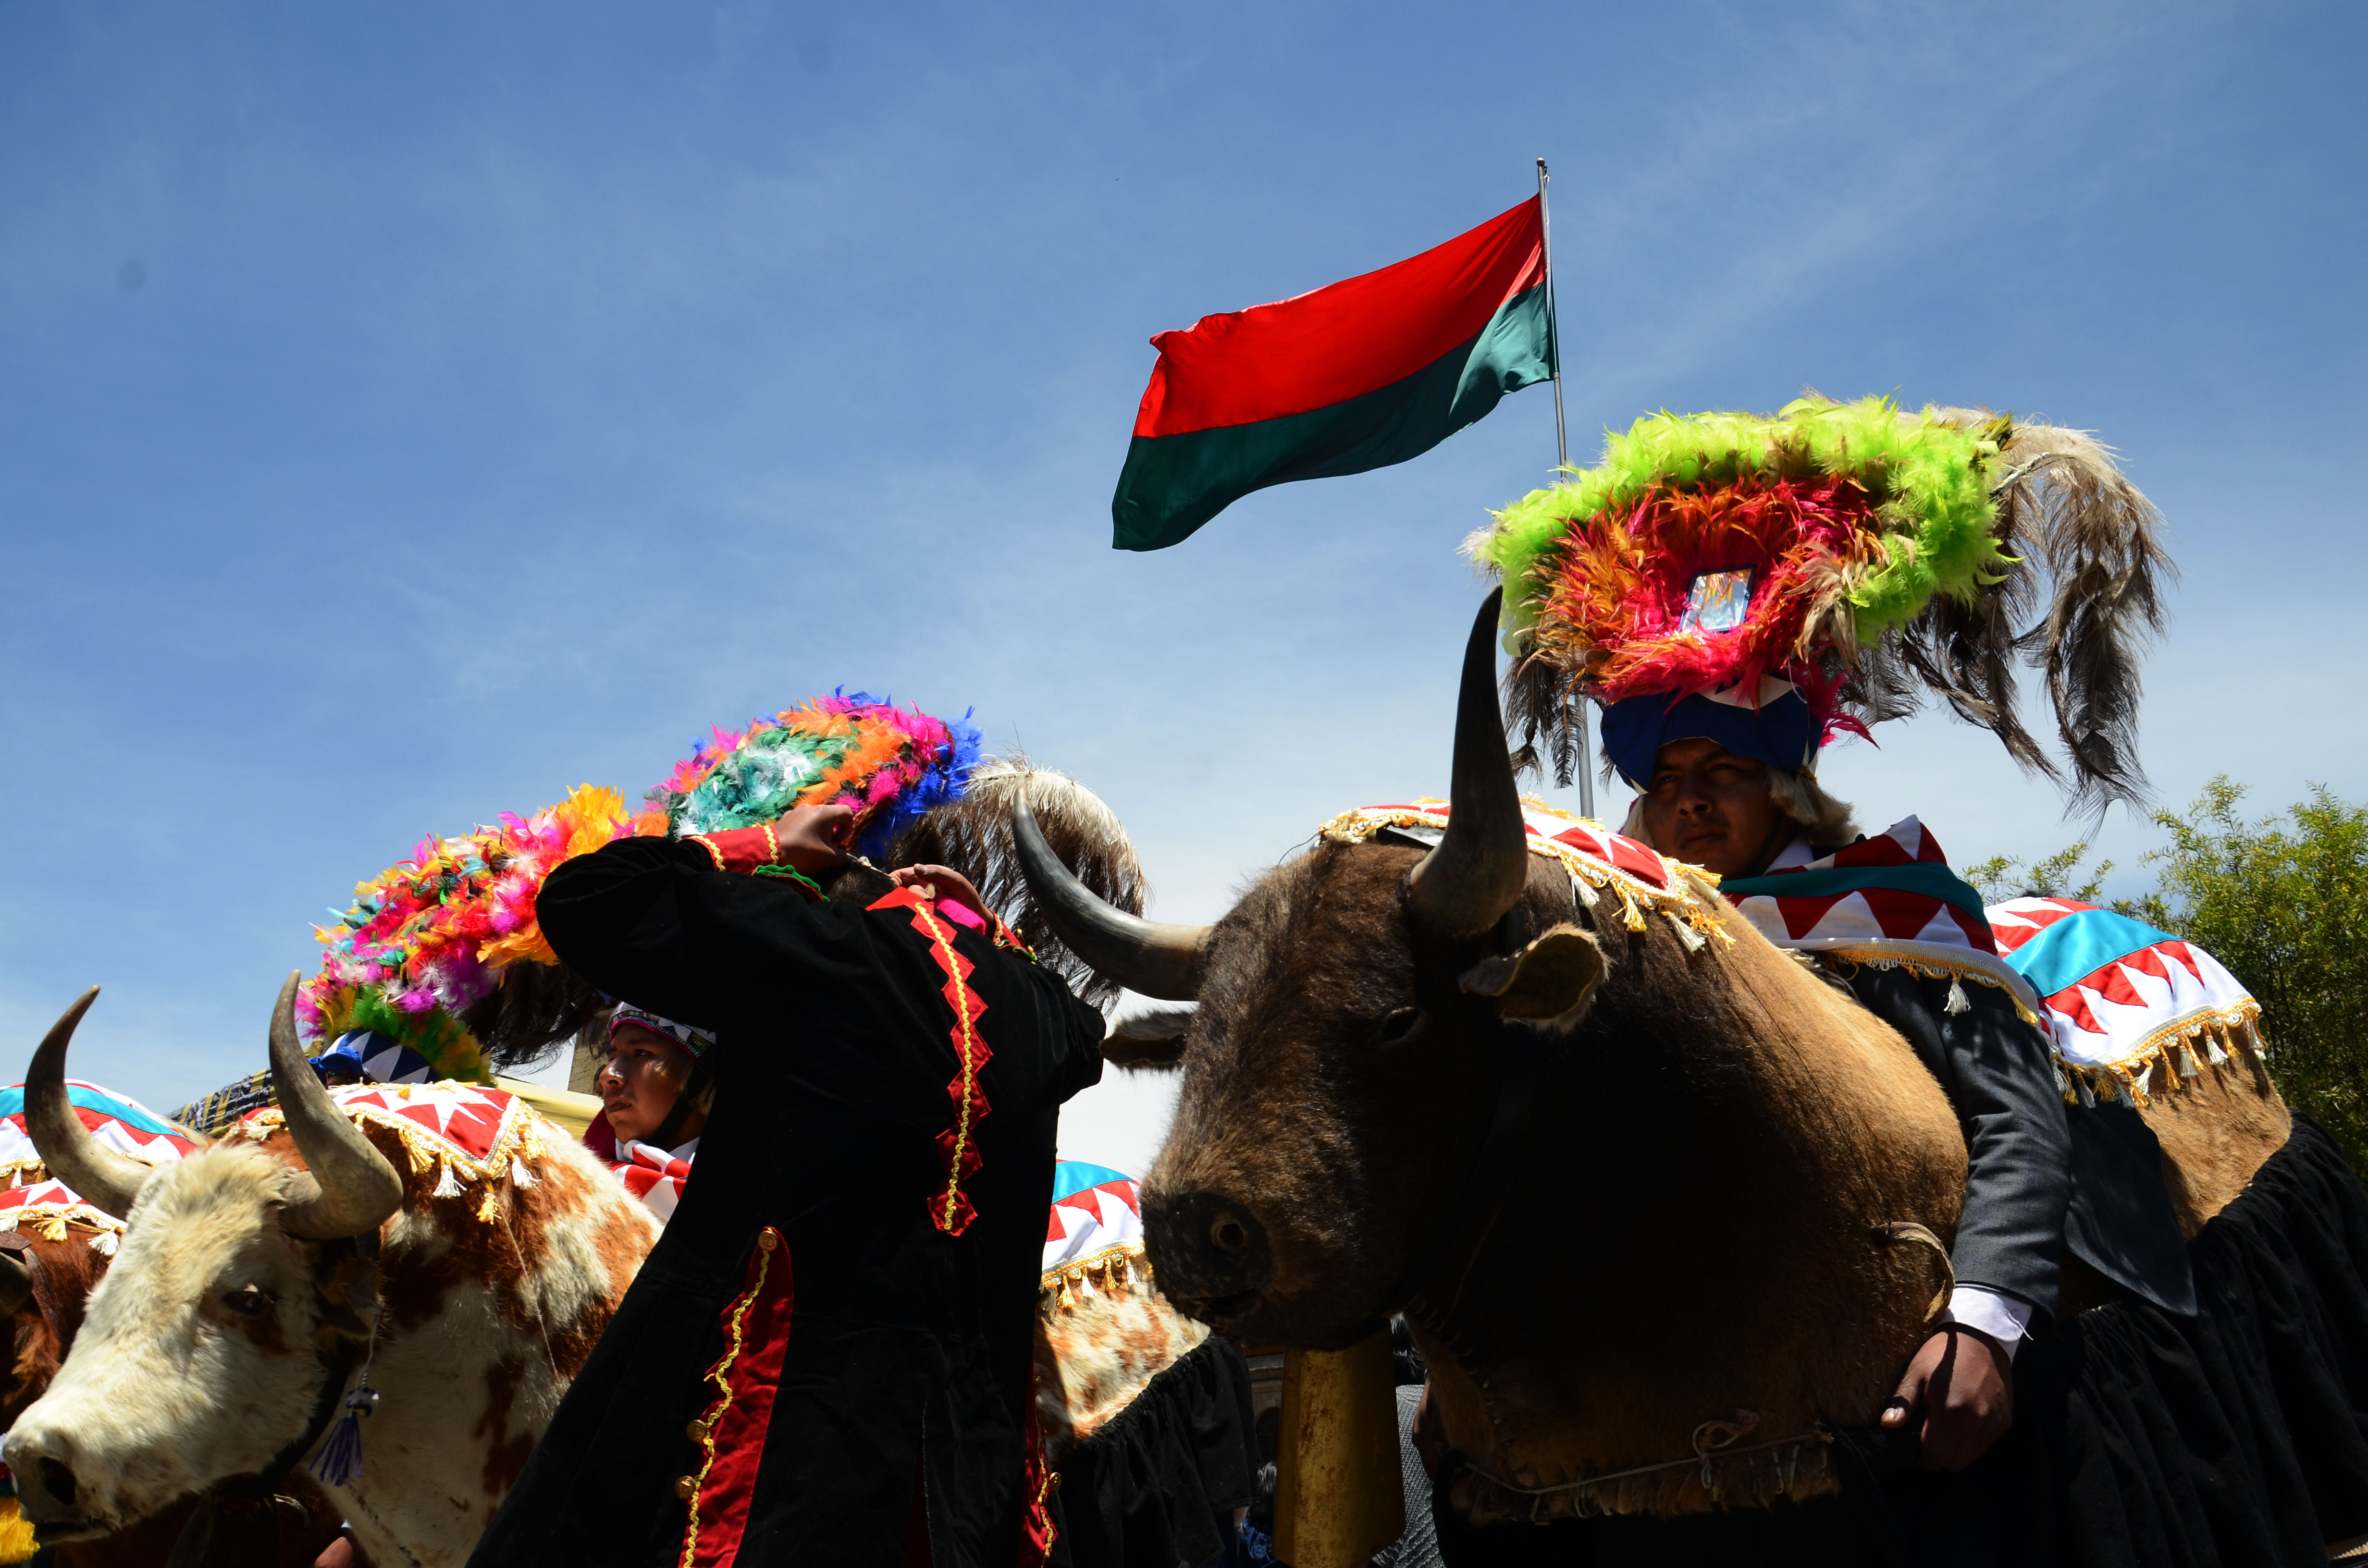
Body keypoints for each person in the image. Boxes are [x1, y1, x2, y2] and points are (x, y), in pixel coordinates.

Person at [1467, 396, 2194, 1474]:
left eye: (1724, 773)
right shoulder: (1620, 951)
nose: (1692, 802)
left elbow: (2011, 1119)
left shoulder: (1889, 914)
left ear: (1788, 792)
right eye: (1668, 780)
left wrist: (1983, 1324)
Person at [469, 754, 1109, 1566]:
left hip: (773, 1454)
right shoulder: (1044, 1017)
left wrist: (760, 843)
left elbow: (582, 898)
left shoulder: (815, 941)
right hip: (957, 1482)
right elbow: (1087, 1034)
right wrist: (985, 929)